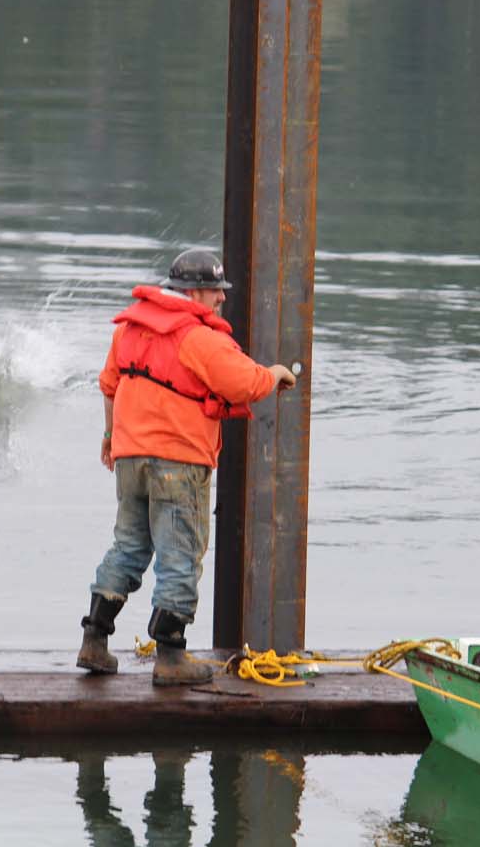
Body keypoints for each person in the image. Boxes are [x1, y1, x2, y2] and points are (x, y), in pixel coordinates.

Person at [78, 248, 296, 686]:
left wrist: (109, 438)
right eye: (217, 291)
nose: (221, 300)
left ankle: (95, 641)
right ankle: (171, 656)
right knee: (180, 556)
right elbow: (244, 383)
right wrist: (275, 374)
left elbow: (109, 387)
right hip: (178, 464)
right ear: (195, 291)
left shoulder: (129, 330)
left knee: (128, 548)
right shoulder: (199, 338)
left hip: (130, 458)